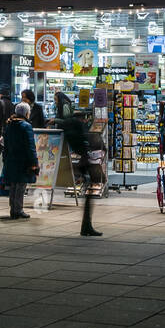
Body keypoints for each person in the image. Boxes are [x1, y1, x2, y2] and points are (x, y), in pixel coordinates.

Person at [55, 93, 100, 237]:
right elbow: (83, 145)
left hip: (80, 163)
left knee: (88, 197)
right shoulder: (77, 127)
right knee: (88, 196)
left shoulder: (68, 126)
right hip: (85, 163)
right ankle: (86, 226)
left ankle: (86, 226)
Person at [1, 102, 39, 219]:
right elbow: (30, 146)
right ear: (26, 113)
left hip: (11, 159)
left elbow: (5, 145)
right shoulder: (26, 126)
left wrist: (5, 159)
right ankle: (19, 209)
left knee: (13, 185)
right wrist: (34, 162)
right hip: (23, 160)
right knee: (21, 186)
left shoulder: (9, 125)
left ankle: (13, 209)